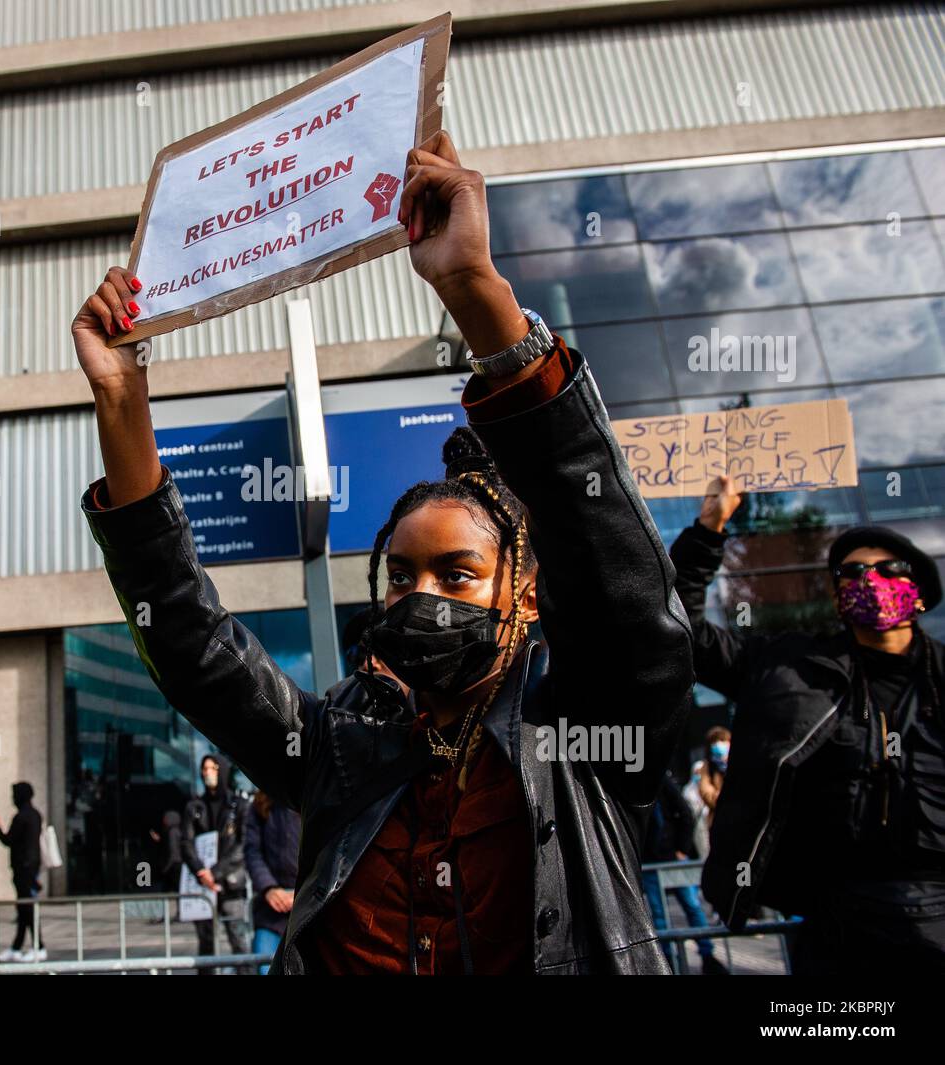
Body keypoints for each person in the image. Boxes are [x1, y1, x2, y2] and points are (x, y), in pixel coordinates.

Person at [70, 129, 693, 973]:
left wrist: (473, 289)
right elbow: (190, 643)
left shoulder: (583, 730)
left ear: (529, 594)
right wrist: (121, 401)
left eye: (458, 573)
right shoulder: (335, 749)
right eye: (400, 574)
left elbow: (610, 569)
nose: (418, 593)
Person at [676, 475, 945, 974]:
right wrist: (709, 529)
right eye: (852, 572)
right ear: (838, 592)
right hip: (835, 926)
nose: (869, 579)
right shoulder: (788, 667)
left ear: (920, 591)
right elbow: (680, 630)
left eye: (889, 569)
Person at [641, 770, 725, 974]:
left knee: (692, 906)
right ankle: (668, 960)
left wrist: (682, 849)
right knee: (659, 915)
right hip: (651, 862)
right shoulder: (632, 787)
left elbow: (684, 813)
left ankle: (707, 955)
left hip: (672, 859)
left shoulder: (662, 781)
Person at [181, 754, 250, 970]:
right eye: (204, 769)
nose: (207, 773)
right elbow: (186, 843)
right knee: (206, 946)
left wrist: (216, 872)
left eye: (212, 768)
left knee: (239, 943)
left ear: (222, 771)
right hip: (203, 886)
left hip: (230, 884)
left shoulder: (239, 806)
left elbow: (243, 845)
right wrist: (201, 871)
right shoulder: (194, 807)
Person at [244, 792, 300, 974]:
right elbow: (252, 852)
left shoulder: (318, 796)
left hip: (308, 907)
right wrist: (269, 888)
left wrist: (302, 892)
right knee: (265, 969)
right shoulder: (260, 804)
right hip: (269, 912)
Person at [0, 781, 47, 963]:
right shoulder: (35, 815)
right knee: (23, 907)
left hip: (23, 868)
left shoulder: (22, 817)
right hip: (31, 866)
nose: (12, 798)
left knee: (27, 907)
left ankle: (39, 946)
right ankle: (17, 946)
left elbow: (8, 840)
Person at [683, 726, 730, 862]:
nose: (718, 745)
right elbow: (705, 793)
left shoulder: (739, 763)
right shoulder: (706, 767)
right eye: (715, 742)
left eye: (722, 740)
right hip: (716, 821)